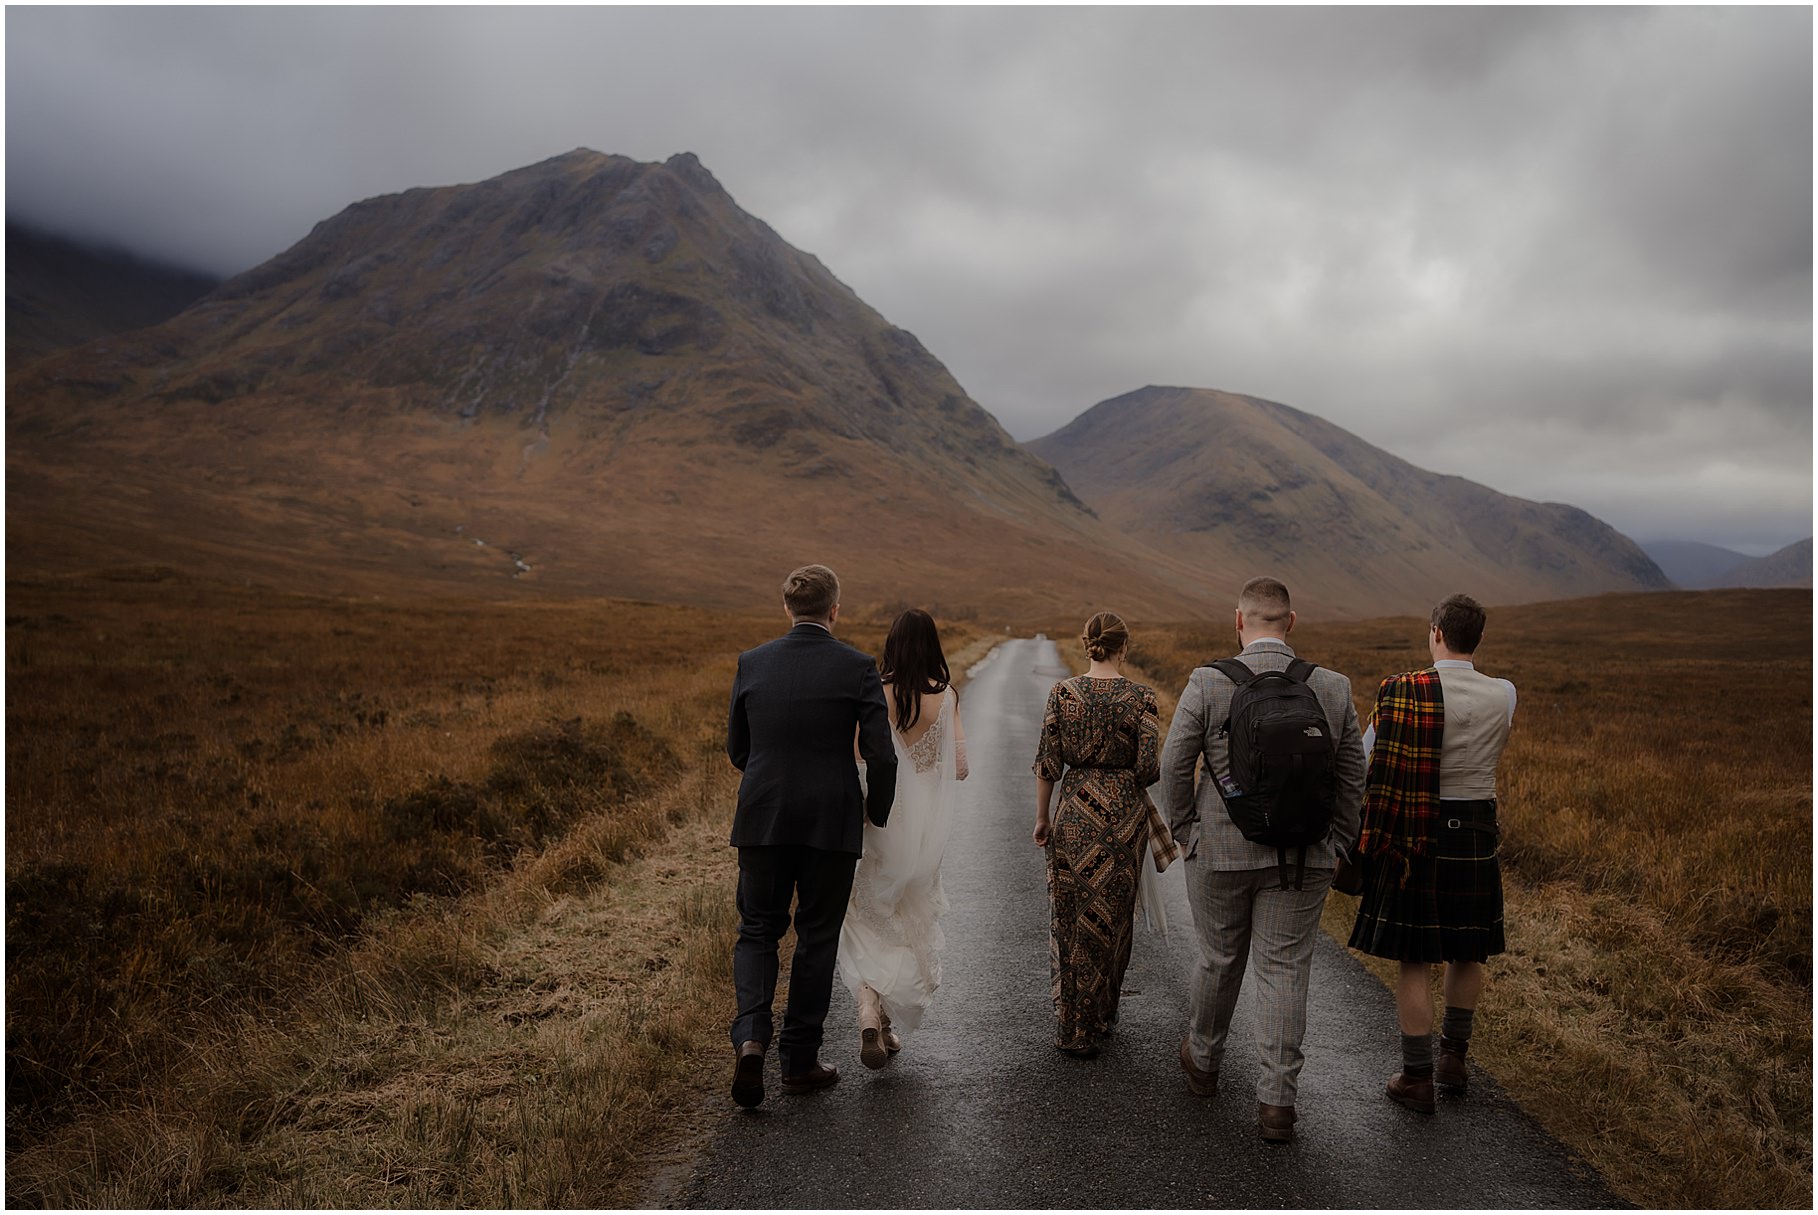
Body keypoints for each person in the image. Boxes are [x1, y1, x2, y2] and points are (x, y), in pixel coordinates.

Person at [1159, 577, 1365, 1143]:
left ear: (1238, 621)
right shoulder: (1334, 687)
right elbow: (1352, 776)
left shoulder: (1208, 682)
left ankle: (1203, 1061)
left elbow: (1175, 762)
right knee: (1284, 968)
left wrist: (1186, 831)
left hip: (1220, 851)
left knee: (1219, 958)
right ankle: (1277, 1101)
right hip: (1305, 855)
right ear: (1291, 622)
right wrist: (1340, 841)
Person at [725, 564, 897, 1109]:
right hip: (830, 821)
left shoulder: (752, 662)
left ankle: (751, 1036)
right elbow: (881, 755)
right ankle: (800, 1061)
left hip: (763, 817)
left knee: (758, 930)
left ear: (787, 610)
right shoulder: (856, 667)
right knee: (816, 937)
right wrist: (877, 811)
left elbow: (738, 750)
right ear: (834, 610)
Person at [1349, 593, 1517, 1114]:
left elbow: (1363, 757)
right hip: (1474, 829)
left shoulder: (1401, 691)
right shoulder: (1505, 694)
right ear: (1479, 639)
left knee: (1415, 959)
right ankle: (1454, 1058)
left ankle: (1417, 1077)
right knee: (1470, 948)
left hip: (1415, 829)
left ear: (1436, 632)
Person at [1032, 611, 1170, 1058]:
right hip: (1124, 816)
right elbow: (1149, 767)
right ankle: (1103, 1013)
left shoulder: (1062, 692)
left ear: (1087, 642)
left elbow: (1048, 763)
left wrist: (1042, 818)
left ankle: (1074, 1023)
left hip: (1073, 811)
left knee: (1072, 915)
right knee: (1113, 916)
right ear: (1124, 647)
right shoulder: (1142, 698)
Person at [837, 609, 969, 1069]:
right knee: (910, 917)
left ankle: (870, 1010)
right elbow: (961, 766)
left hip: (882, 822)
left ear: (893, 645)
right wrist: (927, 768)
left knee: (867, 915)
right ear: (933, 645)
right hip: (926, 834)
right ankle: (885, 1026)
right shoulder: (947, 696)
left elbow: (858, 753)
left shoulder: (879, 692)